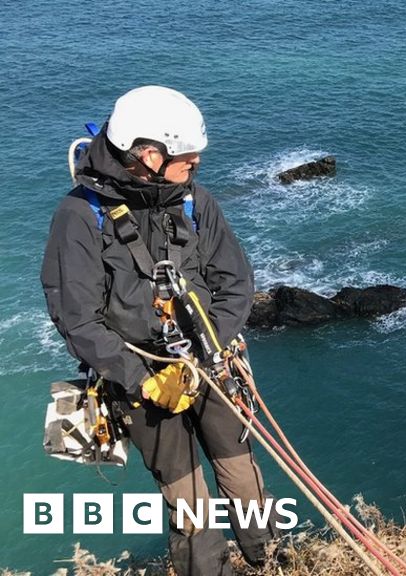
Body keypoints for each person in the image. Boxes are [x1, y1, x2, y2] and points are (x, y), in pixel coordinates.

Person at [42, 86, 277, 576]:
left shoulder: (193, 201)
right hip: (140, 380)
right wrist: (140, 377)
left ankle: (268, 561)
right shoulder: (80, 217)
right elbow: (77, 318)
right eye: (187, 162)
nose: (195, 169)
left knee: (242, 475)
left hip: (210, 363)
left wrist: (213, 347)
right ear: (149, 155)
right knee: (188, 501)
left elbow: (235, 281)